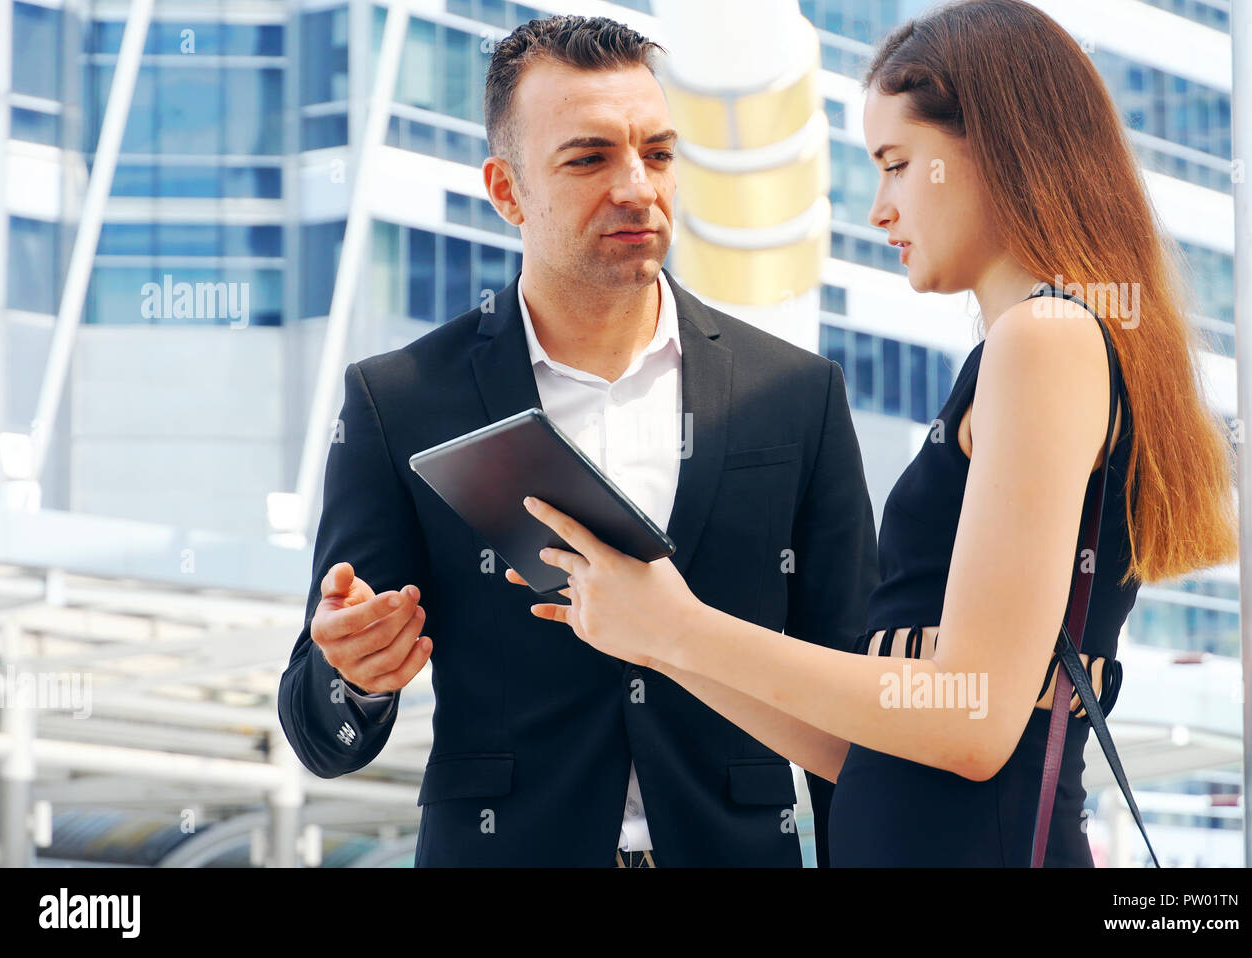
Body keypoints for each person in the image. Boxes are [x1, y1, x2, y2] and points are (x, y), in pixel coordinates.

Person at [509, 0, 1239, 866]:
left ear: (997, 150)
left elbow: (972, 721)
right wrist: (659, 639)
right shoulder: (1034, 348)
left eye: (897, 165)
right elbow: (874, 750)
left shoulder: (1043, 340)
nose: (879, 210)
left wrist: (684, 632)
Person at [276, 15, 882, 867]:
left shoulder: (796, 396)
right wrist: (354, 675)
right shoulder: (401, 400)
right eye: (589, 158)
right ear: (506, 190)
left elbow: (854, 692)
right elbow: (318, 731)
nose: (637, 186)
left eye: (659, 153)